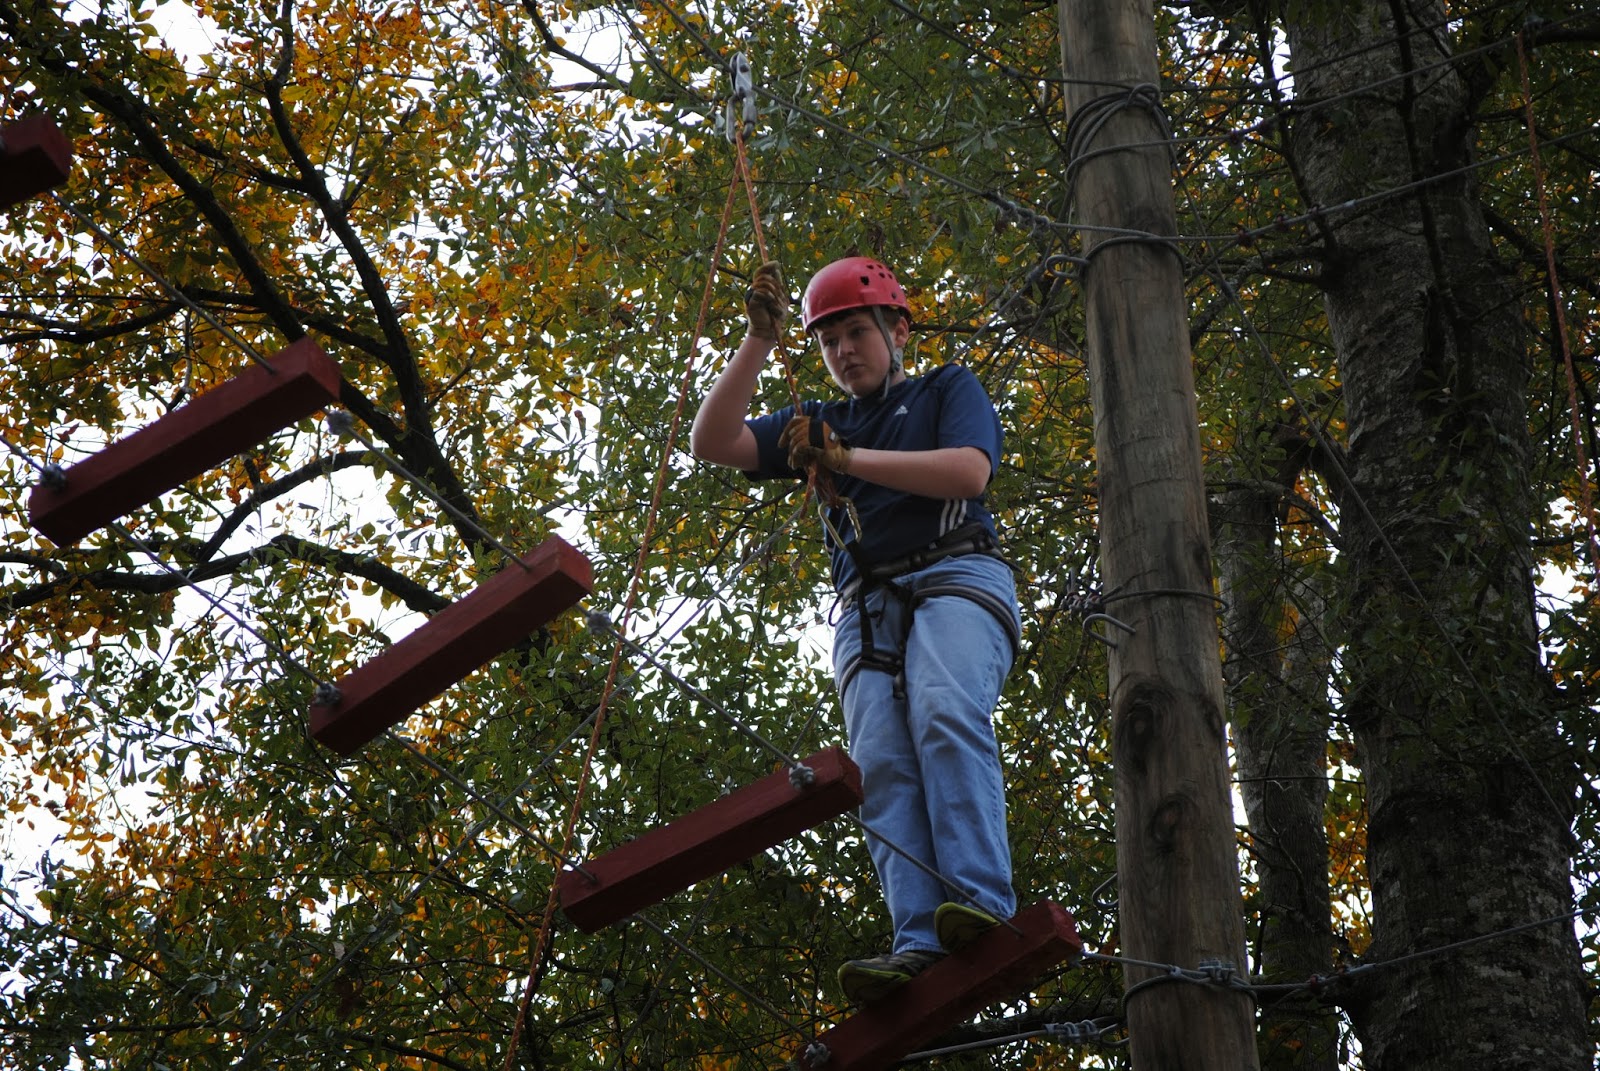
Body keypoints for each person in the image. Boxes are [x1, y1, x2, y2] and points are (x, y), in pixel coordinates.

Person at [689, 256, 1022, 1005]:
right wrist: (759, 344)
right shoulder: (817, 421)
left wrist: (846, 457)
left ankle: (981, 903)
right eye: (830, 340)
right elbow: (712, 442)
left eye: (856, 332)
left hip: (955, 578)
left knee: (942, 708)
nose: (843, 351)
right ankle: (918, 940)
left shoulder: (945, 389)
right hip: (869, 606)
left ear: (897, 329)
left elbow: (969, 474)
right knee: (880, 762)